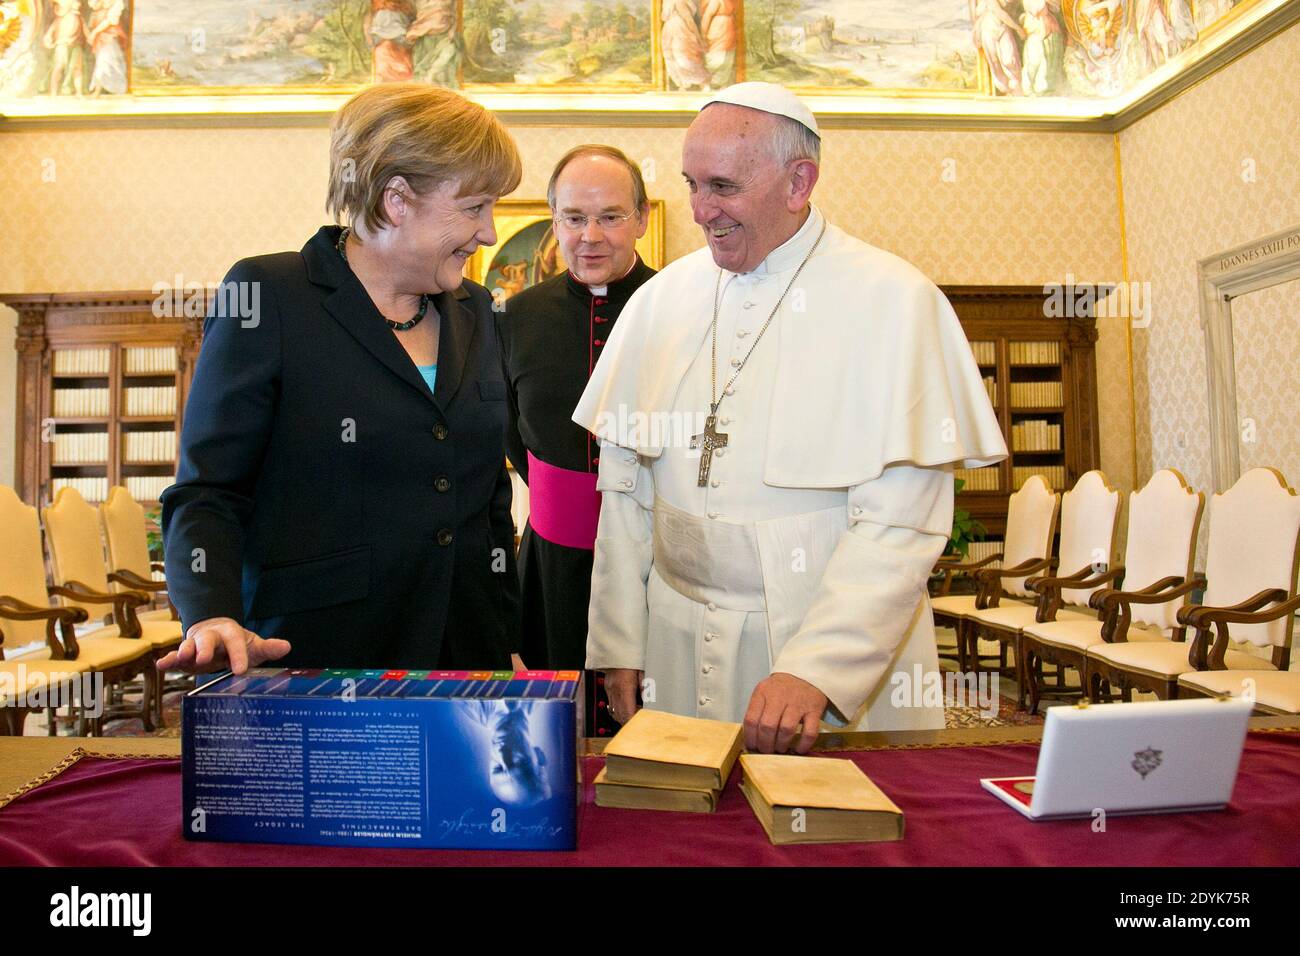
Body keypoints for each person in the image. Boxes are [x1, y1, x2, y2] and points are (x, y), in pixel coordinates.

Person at [574, 82, 1007, 755]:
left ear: (798, 181)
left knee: (836, 845)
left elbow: (901, 522)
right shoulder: (661, 303)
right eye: (691, 184)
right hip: (677, 637)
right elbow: (626, 494)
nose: (699, 211)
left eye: (722, 186)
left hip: (823, 651)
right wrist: (619, 640)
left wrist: (818, 667)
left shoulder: (895, 302)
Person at [160, 83, 524, 676]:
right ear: (397, 198)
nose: (488, 232)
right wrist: (209, 612)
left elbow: (487, 501)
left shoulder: (477, 310)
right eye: (475, 207)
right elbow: (209, 492)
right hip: (320, 660)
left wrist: (503, 632)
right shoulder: (269, 296)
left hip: (466, 660)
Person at [496, 145, 656, 733]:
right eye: (573, 217)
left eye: (611, 217)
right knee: (558, 729)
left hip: (655, 557)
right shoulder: (514, 317)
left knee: (650, 724)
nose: (590, 236)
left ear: (640, 218)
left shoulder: (682, 307)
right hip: (554, 557)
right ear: (553, 218)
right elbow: (512, 433)